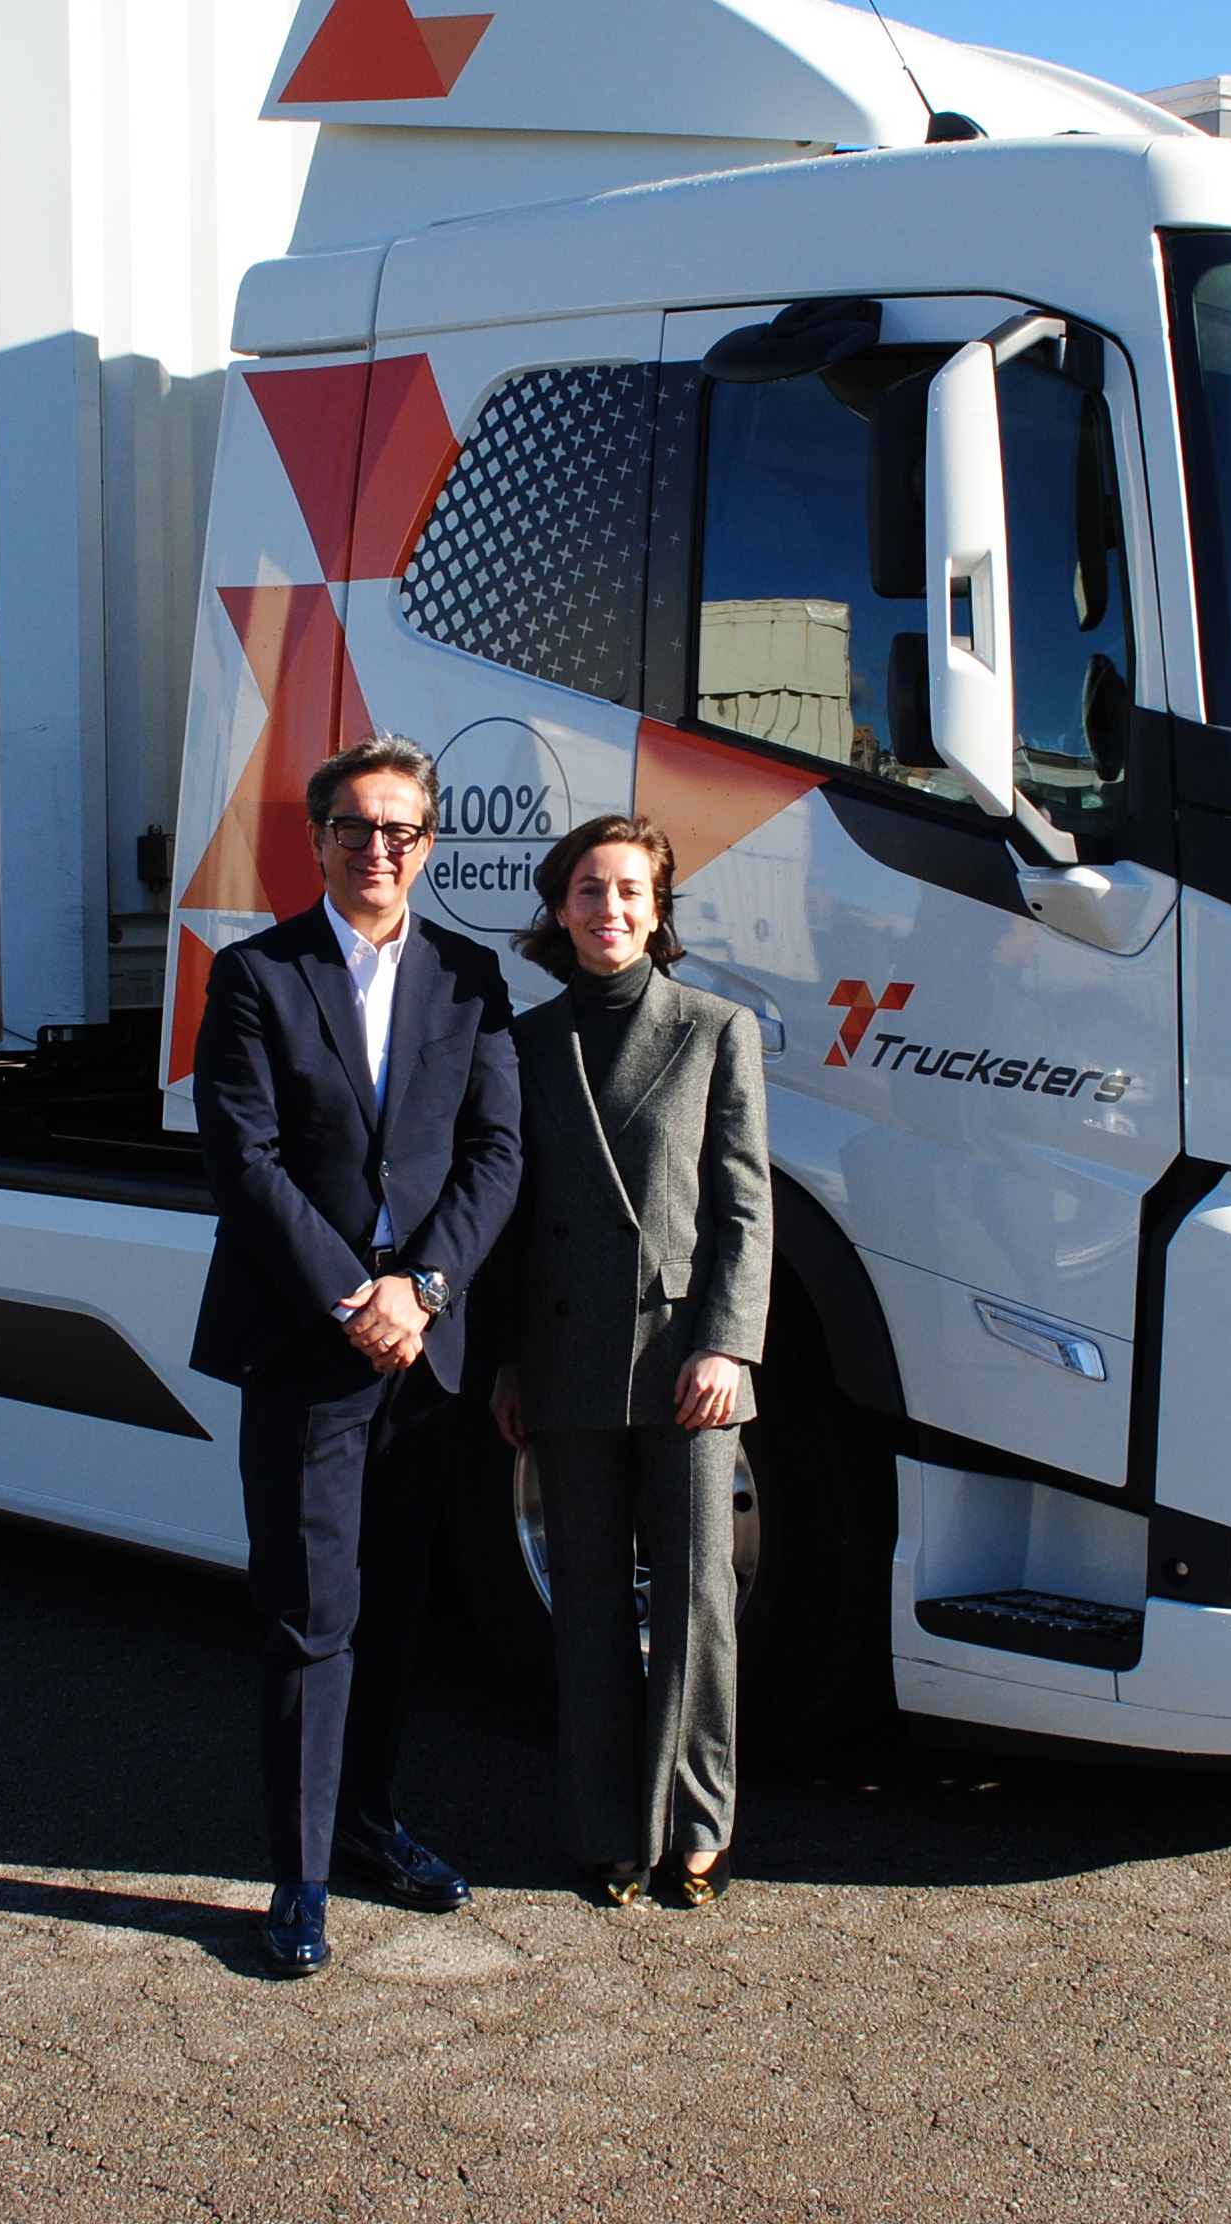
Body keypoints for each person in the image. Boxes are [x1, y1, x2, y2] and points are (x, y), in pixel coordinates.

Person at [189, 735, 522, 1977]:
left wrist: (422, 1291)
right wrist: (352, 1295)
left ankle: (372, 1824)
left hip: (422, 1352)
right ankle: (300, 1876)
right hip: (307, 1344)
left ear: (427, 845)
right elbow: (244, 1162)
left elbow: (496, 1154)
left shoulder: (472, 979)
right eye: (353, 828)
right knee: (308, 1616)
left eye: (401, 830)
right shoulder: (254, 977)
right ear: (316, 841)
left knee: (392, 1615)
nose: (378, 849)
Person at [486, 813, 770, 1909]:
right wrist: (509, 1364)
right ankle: (604, 1825)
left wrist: (728, 1346)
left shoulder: (712, 1029)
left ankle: (697, 1826)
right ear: (559, 910)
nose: (610, 911)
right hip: (561, 1359)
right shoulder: (522, 1042)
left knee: (699, 1601)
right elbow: (513, 1222)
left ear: (659, 912)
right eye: (589, 892)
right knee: (590, 1603)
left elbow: (744, 1206)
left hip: (681, 1363)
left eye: (631, 893)